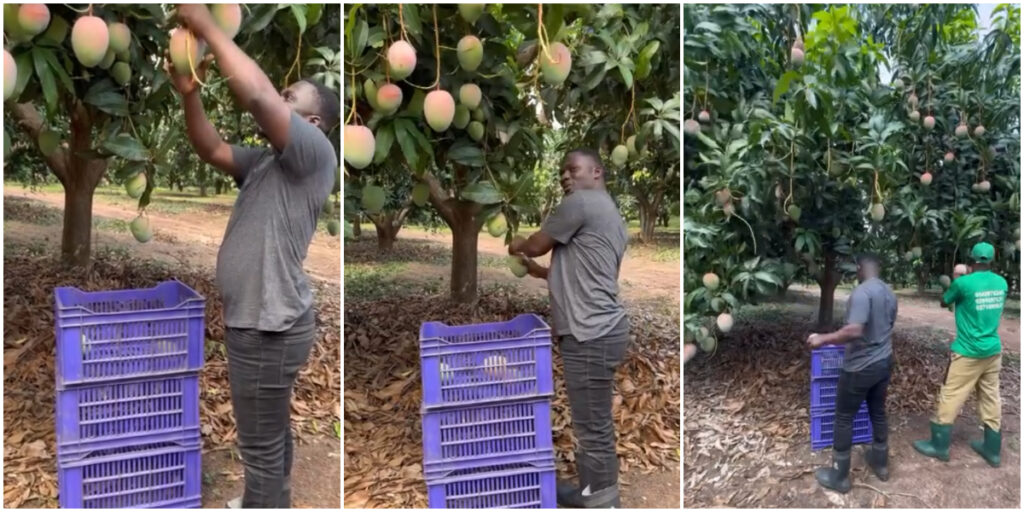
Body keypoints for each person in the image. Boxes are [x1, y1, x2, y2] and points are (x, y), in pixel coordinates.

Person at [168, 5, 339, 508]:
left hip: (267, 325)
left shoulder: (314, 154)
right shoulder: (268, 162)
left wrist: (207, 25)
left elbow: (259, 96)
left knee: (259, 445)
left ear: (312, 123)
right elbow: (212, 149)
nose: (278, 99)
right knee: (271, 428)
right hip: (267, 319)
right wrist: (190, 93)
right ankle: (271, 499)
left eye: (290, 98)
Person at [508, 149, 629, 508]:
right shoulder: (611, 214)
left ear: (596, 171)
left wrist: (517, 243)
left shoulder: (581, 202)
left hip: (591, 333)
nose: (565, 176)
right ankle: (593, 492)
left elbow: (536, 244)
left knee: (592, 425)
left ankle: (602, 500)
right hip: (602, 330)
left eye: (573, 169)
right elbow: (586, 275)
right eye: (562, 172)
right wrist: (539, 273)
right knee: (593, 419)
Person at [807, 253, 898, 493]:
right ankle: (880, 464)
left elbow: (854, 330)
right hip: (884, 362)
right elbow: (887, 326)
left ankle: (839, 476)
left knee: (844, 417)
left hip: (860, 367)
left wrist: (823, 338)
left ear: (859, 268)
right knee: (877, 411)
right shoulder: (889, 292)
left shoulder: (861, 293)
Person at [914, 242, 1007, 467]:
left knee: (951, 395)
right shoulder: (1002, 283)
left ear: (972, 259)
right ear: (991, 260)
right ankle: (992, 450)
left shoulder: (963, 283)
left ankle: (939, 445)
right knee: (990, 397)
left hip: (968, 352)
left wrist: (956, 279)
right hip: (993, 351)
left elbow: (944, 301)